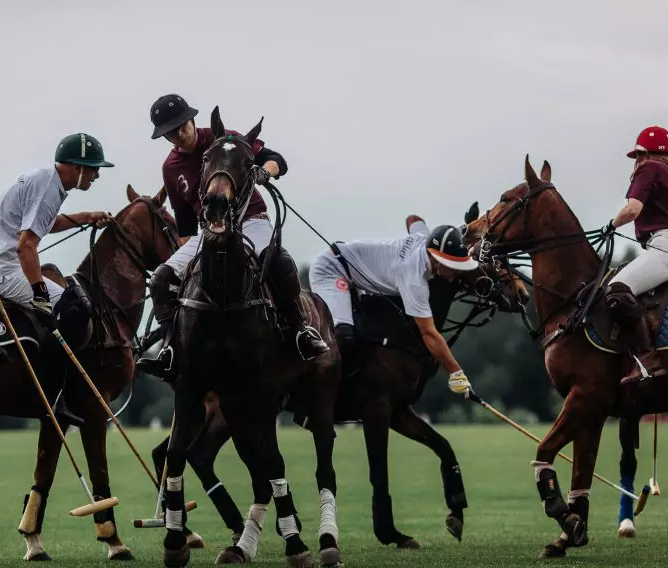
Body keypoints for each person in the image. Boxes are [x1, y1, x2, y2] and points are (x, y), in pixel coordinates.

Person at [137, 94, 328, 380]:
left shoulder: (227, 141)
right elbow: (186, 224)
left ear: (192, 119)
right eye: (170, 133)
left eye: (182, 126)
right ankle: (170, 348)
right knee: (162, 278)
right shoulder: (171, 168)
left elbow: (277, 160)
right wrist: (183, 267)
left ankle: (300, 329)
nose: (179, 135)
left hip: (251, 221)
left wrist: (265, 172)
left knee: (278, 261)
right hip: (209, 230)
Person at [0, 133, 116, 425]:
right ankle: (55, 393)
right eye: (93, 168)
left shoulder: (46, 181)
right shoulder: (48, 187)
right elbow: (28, 245)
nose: (97, 175)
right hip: (4, 268)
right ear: (76, 168)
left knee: (68, 304)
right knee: (74, 309)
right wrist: (40, 293)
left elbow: (47, 223)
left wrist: (88, 216)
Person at [307, 224, 476, 397]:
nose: (457, 272)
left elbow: (414, 220)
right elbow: (429, 334)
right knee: (345, 336)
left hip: (356, 272)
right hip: (332, 269)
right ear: (437, 260)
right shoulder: (414, 279)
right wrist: (455, 372)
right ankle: (318, 396)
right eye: (454, 266)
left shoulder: (424, 237)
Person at [603, 126, 668, 385]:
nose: (636, 162)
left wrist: (610, 225)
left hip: (665, 246)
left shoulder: (649, 168)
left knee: (617, 289)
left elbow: (633, 209)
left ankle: (647, 359)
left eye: (637, 156)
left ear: (645, 153)